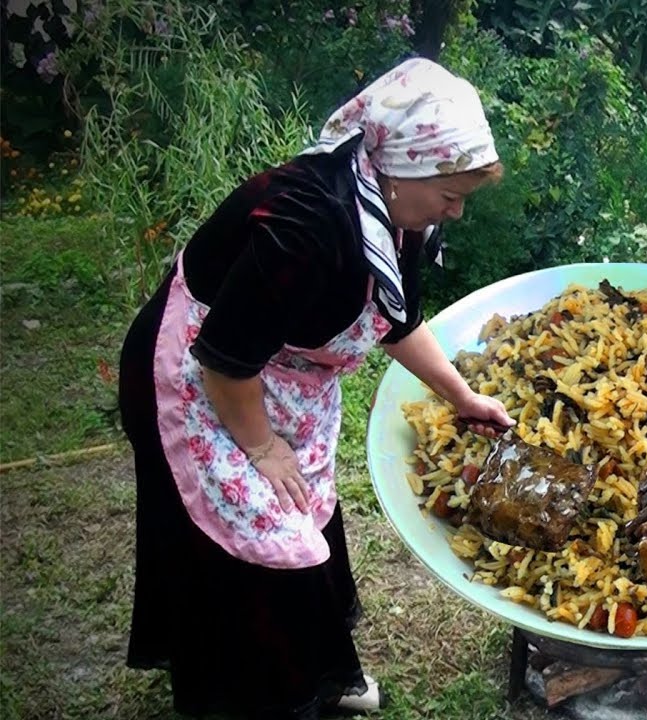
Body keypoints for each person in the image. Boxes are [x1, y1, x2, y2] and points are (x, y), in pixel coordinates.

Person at [117, 58, 515, 719]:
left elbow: (396, 322)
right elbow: (224, 357)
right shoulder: (303, 223)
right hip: (202, 375)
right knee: (244, 544)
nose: (458, 210)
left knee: (308, 521)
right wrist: (264, 448)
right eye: (451, 194)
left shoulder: (397, 215)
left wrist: (462, 396)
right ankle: (255, 698)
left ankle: (320, 673)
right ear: (404, 168)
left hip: (277, 372)